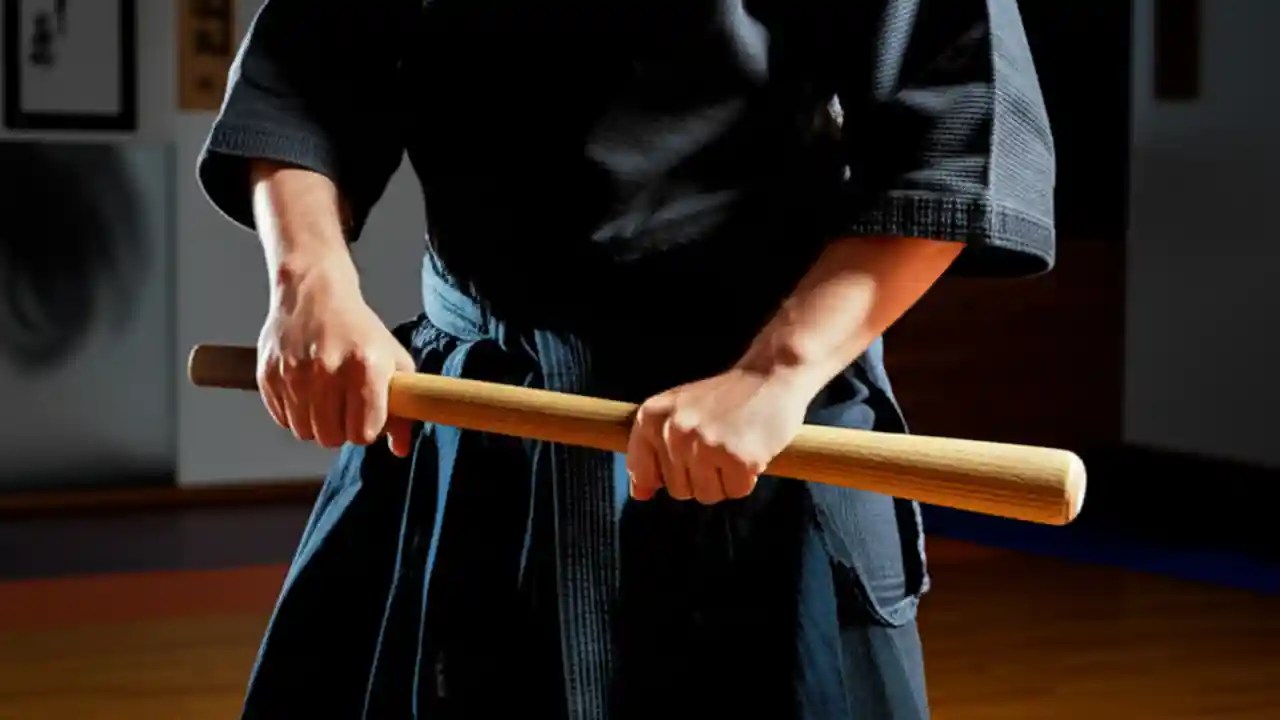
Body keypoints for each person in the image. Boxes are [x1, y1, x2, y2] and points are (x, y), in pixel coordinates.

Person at [197, 0, 1054, 717]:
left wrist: (778, 370)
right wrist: (309, 283)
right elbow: (301, 75)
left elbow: (952, 124)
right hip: (476, 417)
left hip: (756, 424)